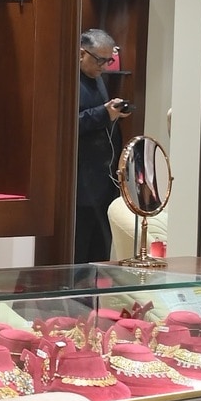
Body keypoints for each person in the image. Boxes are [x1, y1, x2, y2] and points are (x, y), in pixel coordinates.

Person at [76, 27, 131, 260]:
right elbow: (67, 125)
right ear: (81, 53)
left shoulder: (97, 78)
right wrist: (103, 113)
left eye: (109, 60)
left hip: (104, 181)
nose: (104, 66)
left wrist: (113, 112)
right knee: (79, 254)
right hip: (80, 184)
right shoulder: (69, 81)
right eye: (100, 60)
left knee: (100, 254)